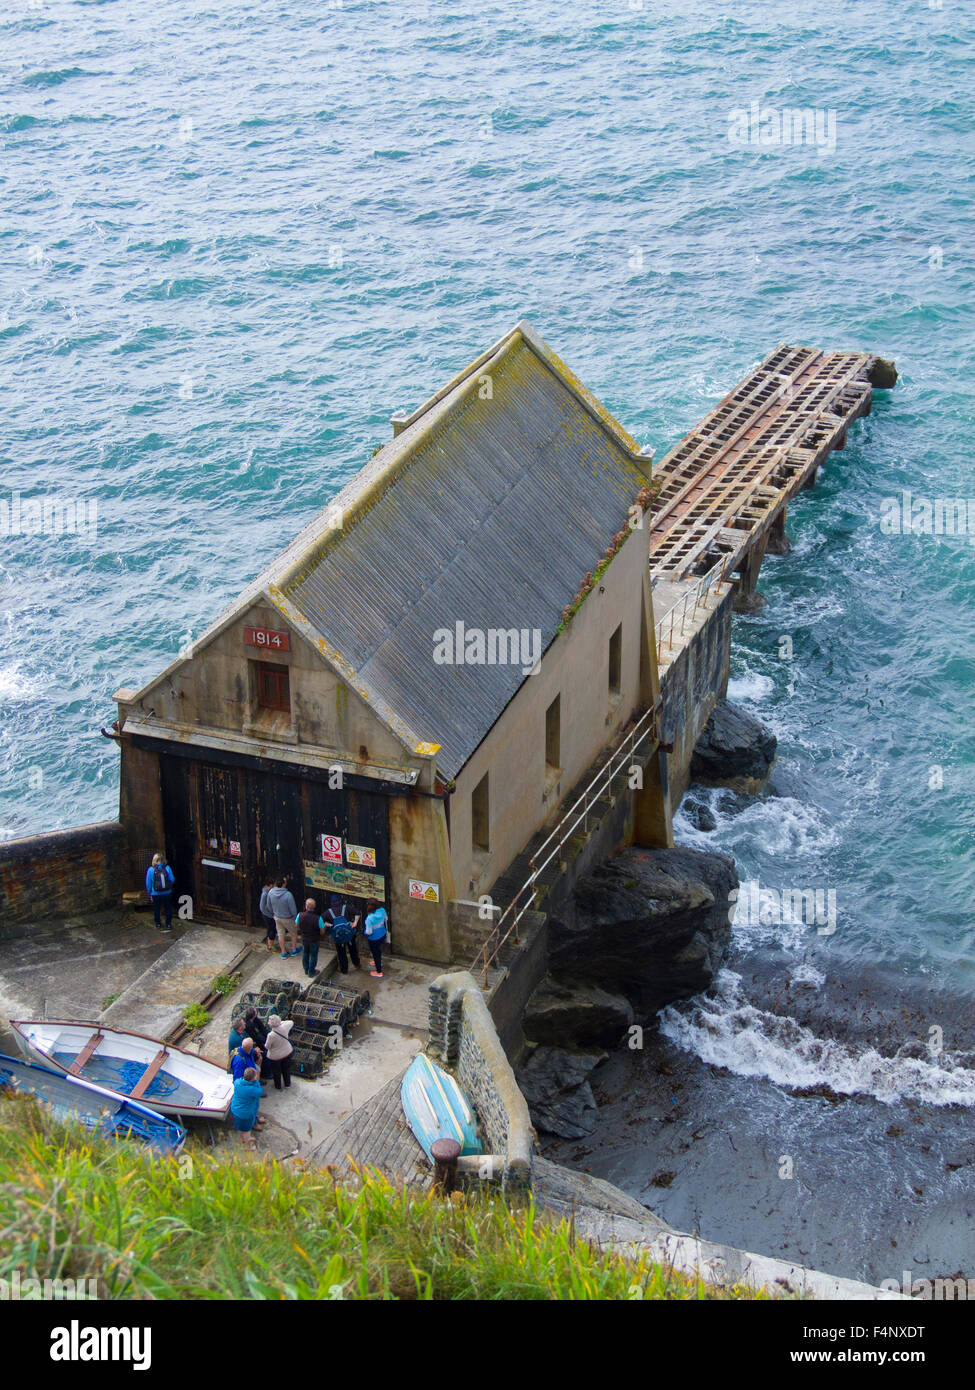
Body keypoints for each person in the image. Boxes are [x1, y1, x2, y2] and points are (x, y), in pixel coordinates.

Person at [325, 894, 360, 974]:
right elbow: (357, 912)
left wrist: (328, 924)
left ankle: (344, 970)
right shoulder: (346, 907)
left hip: (338, 938)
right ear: (340, 901)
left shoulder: (328, 912)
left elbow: (320, 921)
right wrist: (355, 922)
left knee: (341, 953)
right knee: (353, 950)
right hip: (349, 935)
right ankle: (356, 964)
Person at [231, 1066, 264, 1149]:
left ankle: (241, 1139)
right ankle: (248, 1146)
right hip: (246, 1114)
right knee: (247, 1130)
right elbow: (260, 1092)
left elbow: (238, 1080)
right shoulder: (252, 1089)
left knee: (240, 1126)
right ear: (253, 1078)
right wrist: (256, 1082)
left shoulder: (237, 1082)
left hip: (236, 1110)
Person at [266, 876, 299, 957]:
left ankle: (283, 952)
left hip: (277, 917)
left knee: (280, 934)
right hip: (288, 918)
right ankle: (294, 950)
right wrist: (295, 919)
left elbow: (268, 906)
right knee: (293, 934)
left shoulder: (271, 892)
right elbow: (293, 909)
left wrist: (274, 913)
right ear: (283, 884)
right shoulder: (288, 895)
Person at [296, 898, 326, 978]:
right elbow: (322, 931)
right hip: (314, 940)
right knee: (313, 955)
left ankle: (306, 969)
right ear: (314, 907)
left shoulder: (300, 915)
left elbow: (296, 926)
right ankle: (311, 971)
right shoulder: (318, 918)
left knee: (305, 953)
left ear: (306, 906)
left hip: (304, 938)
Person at [145, 853, 175, 932]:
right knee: (168, 908)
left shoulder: (150, 870)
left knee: (156, 909)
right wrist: (168, 887)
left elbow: (148, 883)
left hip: (155, 894)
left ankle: (158, 924)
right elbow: (172, 879)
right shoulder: (167, 868)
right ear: (163, 859)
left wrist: (150, 892)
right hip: (167, 893)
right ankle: (168, 924)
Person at [265, 1014, 294, 1091]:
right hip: (287, 1052)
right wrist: (280, 1023)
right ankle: (287, 1084)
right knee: (286, 1069)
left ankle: (278, 1086)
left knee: (276, 1071)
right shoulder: (285, 1027)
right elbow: (291, 1022)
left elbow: (267, 1046)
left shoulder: (271, 1035)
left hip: (276, 1057)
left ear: (271, 1026)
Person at [242, 1007, 272, 1081]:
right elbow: (256, 1036)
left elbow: (262, 1028)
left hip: (260, 1039)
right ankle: (266, 1074)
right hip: (256, 1044)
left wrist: (268, 1036)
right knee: (264, 1055)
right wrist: (265, 1041)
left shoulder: (256, 1020)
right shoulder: (249, 1025)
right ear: (254, 1015)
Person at [363, 899, 389, 979]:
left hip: (374, 938)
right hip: (382, 934)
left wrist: (364, 933)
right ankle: (378, 961)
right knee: (378, 950)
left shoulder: (369, 918)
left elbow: (369, 932)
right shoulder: (382, 910)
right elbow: (386, 919)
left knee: (375, 953)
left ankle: (379, 972)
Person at [258, 877, 279, 953]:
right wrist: (271, 915)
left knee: (271, 929)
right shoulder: (265, 894)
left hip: (269, 915)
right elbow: (262, 907)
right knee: (272, 929)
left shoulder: (267, 892)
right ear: (270, 885)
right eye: (274, 885)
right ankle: (270, 946)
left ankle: (270, 944)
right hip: (268, 915)